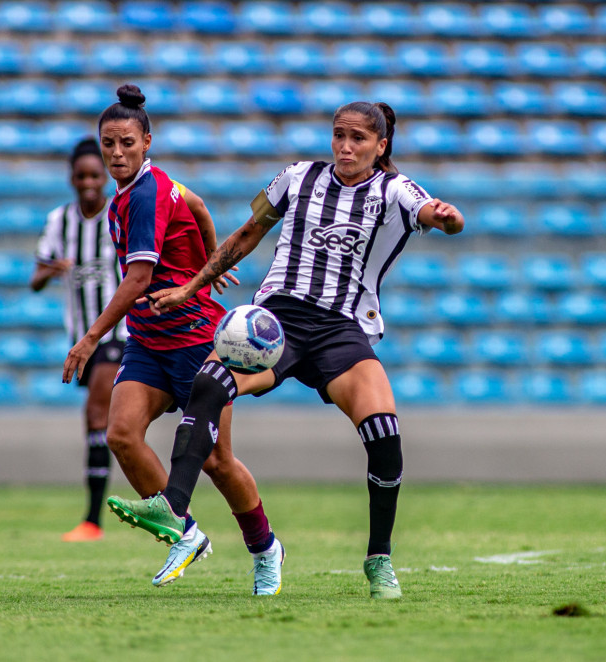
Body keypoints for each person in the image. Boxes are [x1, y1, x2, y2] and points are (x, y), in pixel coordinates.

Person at [108, 101, 465, 599]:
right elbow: (248, 232)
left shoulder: (394, 189)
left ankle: (379, 560)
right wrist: (192, 287)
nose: (345, 146)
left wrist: (447, 218)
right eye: (339, 135)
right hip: (276, 322)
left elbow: (438, 216)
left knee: (384, 433)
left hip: (340, 329)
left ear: (380, 145)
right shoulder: (297, 177)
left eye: (358, 138)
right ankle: (173, 505)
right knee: (210, 380)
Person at [62, 84, 285, 595]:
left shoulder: (144, 195)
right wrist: (210, 262)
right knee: (121, 435)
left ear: (147, 143)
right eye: (108, 143)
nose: (116, 153)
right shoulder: (153, 186)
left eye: (127, 143)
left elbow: (138, 278)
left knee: (217, 462)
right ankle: (186, 534)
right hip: (148, 341)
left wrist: (90, 338)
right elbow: (198, 205)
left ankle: (266, 548)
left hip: (194, 340)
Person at [30, 137, 125, 542]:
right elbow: (35, 280)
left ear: (105, 177)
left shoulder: (120, 213)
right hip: (82, 338)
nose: (88, 182)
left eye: (94, 175)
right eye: (81, 176)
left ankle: (92, 520)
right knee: (106, 424)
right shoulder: (60, 221)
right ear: (72, 178)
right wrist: (52, 270)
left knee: (96, 414)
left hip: (120, 331)